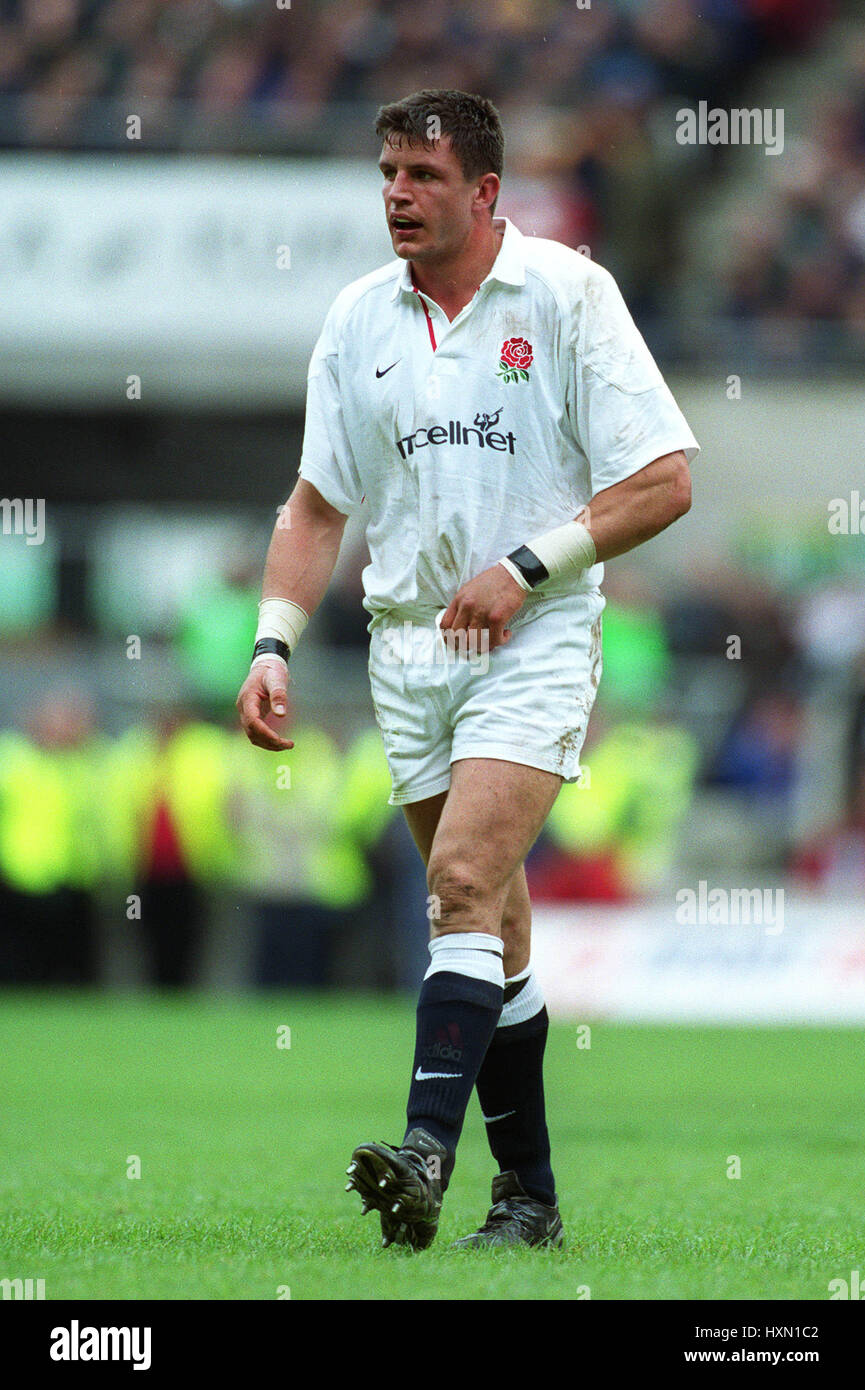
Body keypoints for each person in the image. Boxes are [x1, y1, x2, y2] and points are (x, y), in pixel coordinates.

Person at [237, 89, 698, 1252]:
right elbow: (312, 504)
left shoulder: (564, 294)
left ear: (485, 192)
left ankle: (424, 1149)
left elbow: (662, 480)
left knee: (458, 880)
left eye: (422, 176)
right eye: (387, 173)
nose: (396, 193)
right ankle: (529, 1201)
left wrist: (529, 565)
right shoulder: (356, 320)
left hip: (530, 634)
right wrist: (272, 640)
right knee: (492, 929)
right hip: (406, 648)